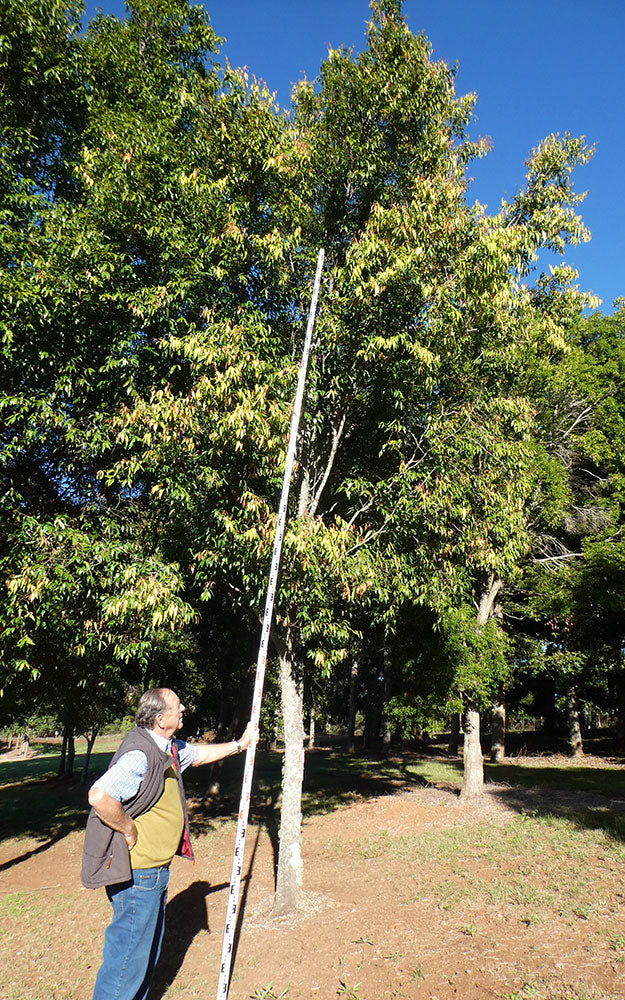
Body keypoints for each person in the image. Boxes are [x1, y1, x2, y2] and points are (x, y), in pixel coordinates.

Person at [82, 687, 254, 1000]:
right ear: (161, 719)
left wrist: (241, 745)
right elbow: (99, 796)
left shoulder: (167, 748)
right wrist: (128, 829)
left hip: (154, 873)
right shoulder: (141, 753)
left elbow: (200, 755)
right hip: (139, 874)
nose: (183, 708)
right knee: (127, 963)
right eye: (177, 705)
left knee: (145, 955)